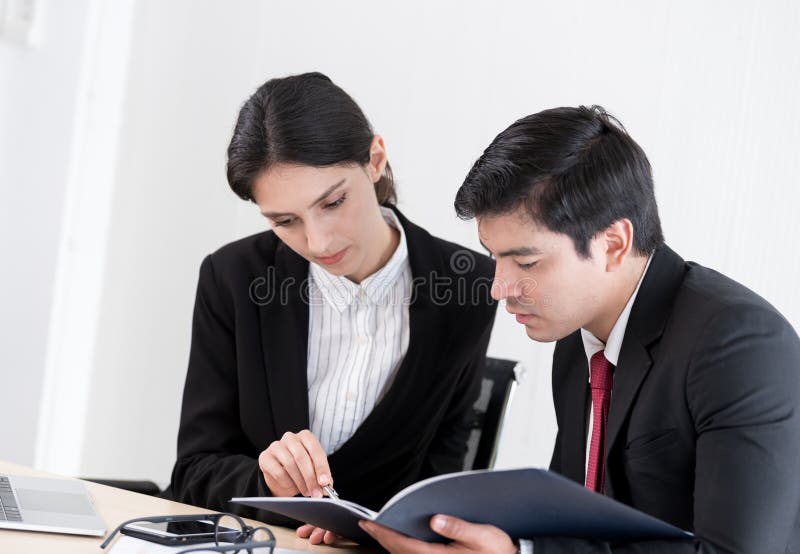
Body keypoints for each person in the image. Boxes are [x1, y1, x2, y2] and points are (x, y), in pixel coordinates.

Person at [361, 106, 800, 553]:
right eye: (495, 258)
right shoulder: (577, 343)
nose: (498, 288)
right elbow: (570, 523)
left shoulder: (740, 344)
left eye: (526, 262)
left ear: (613, 244)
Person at [167, 72, 496, 545]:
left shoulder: (467, 286)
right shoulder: (233, 277)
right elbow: (195, 472)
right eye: (285, 221)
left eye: (334, 202)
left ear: (375, 160)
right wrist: (268, 484)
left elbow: (445, 475)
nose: (318, 242)